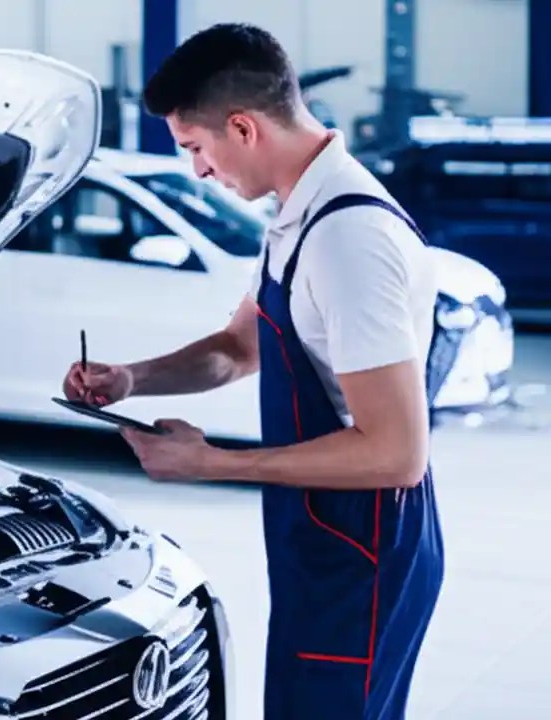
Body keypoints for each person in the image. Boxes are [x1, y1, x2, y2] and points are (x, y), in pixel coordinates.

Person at [62, 23, 445, 720]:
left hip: (363, 551)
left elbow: (397, 453)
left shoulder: (347, 240)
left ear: (241, 127)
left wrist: (211, 462)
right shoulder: (298, 213)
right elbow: (239, 348)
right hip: (328, 538)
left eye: (195, 149)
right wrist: (131, 378)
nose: (198, 170)